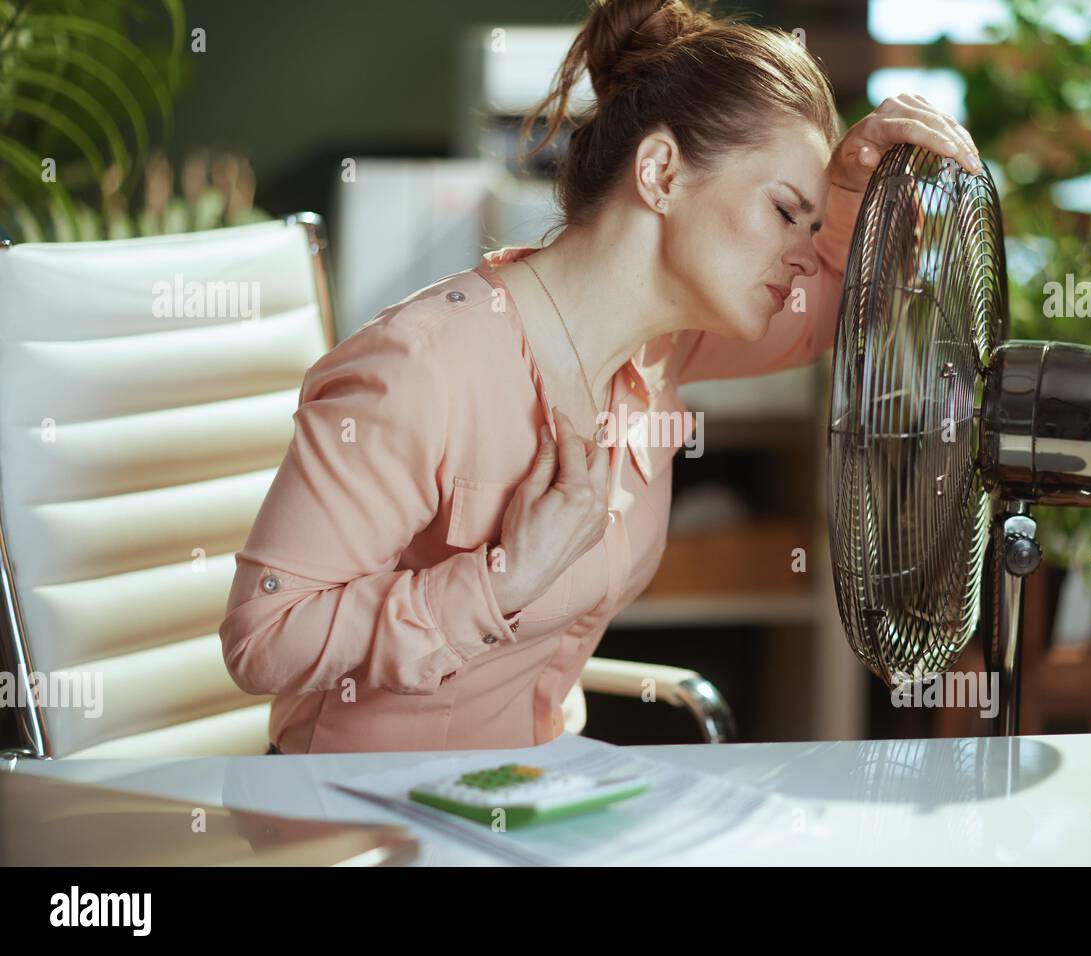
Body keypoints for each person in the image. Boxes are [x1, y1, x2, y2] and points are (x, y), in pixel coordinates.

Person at [220, 0, 980, 754]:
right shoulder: (422, 368)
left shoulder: (659, 348)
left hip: (532, 798)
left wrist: (847, 196)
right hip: (366, 819)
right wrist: (502, 580)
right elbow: (263, 636)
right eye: (786, 212)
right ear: (659, 173)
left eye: (808, 229)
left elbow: (831, 319)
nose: (800, 253)